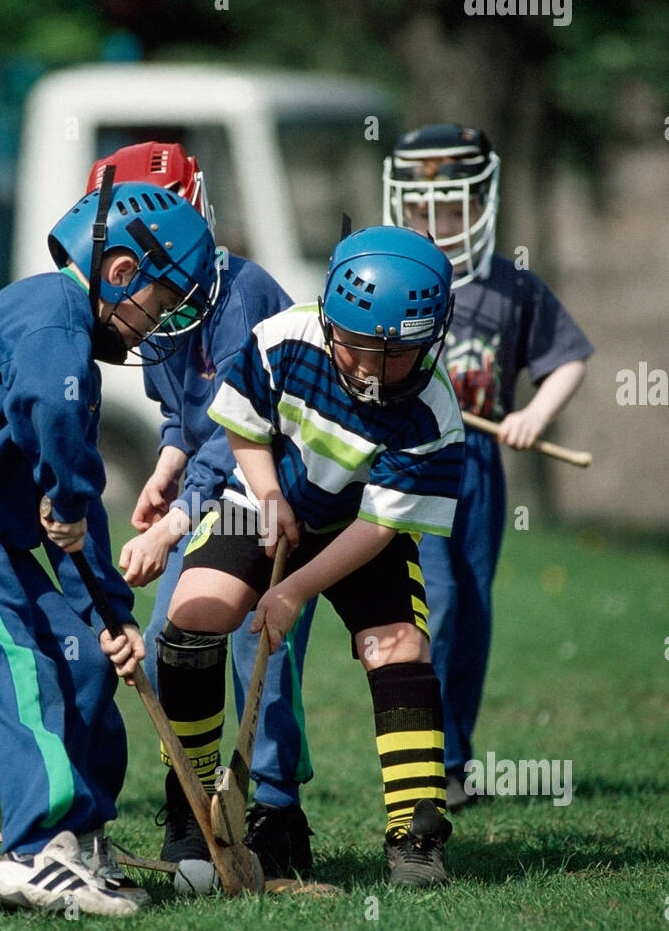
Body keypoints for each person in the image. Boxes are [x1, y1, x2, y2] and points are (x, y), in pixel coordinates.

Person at [0, 177, 220, 916]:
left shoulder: (70, 351)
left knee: (83, 662)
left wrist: (111, 616)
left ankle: (78, 841)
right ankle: (31, 853)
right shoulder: (53, 323)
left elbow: (72, 515)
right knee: (24, 666)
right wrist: (63, 492)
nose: (156, 327)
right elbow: (54, 434)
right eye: (158, 306)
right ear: (120, 271)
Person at [107, 225, 466, 888]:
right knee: (195, 614)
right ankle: (192, 812)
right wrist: (270, 497)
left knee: (397, 645)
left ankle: (415, 834)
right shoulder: (284, 340)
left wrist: (294, 589)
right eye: (354, 347)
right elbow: (243, 425)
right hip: (258, 499)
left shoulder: (435, 415)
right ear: (329, 321)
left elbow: (382, 529)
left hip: (360, 526)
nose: (365, 368)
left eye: (392, 356)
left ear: (429, 340)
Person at [86, 142, 315, 877]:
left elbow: (240, 426)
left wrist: (176, 520)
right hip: (209, 488)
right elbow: (184, 418)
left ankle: (276, 814)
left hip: (275, 490)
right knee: (166, 635)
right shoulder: (157, 311)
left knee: (258, 640)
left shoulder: (237, 293)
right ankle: (192, 809)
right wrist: (166, 467)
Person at [383, 124, 594, 808]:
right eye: (424, 209)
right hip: (415, 463)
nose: (439, 223)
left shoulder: (511, 286)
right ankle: (422, 760)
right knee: (435, 602)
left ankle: (455, 759)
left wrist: (535, 414)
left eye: (454, 207)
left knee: (472, 609)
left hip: (478, 467)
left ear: (481, 204)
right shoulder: (392, 279)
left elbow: (567, 358)